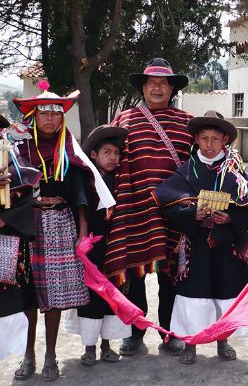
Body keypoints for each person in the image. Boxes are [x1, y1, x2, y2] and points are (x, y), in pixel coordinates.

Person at [12, 82, 114, 381]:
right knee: (28, 295)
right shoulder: (19, 148)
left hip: (59, 225)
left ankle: (50, 355)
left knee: (54, 296)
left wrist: (83, 233)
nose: (50, 118)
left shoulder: (69, 149)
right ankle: (28, 355)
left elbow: (81, 193)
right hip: (25, 226)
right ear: (33, 115)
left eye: (56, 113)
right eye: (44, 112)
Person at [152, 110, 248, 364]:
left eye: (215, 139)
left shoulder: (235, 172)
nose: (210, 145)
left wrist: (231, 218)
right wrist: (192, 214)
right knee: (192, 294)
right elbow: (166, 202)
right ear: (196, 140)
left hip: (225, 247)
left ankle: (223, 341)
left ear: (225, 141)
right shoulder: (186, 171)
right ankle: (191, 344)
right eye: (204, 138)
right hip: (195, 248)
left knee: (224, 292)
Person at [105, 58, 193, 356]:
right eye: (151, 82)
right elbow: (109, 163)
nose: (157, 87)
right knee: (133, 274)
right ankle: (135, 330)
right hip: (133, 211)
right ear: (143, 87)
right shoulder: (124, 121)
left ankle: (170, 332)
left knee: (172, 275)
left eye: (163, 83)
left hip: (173, 215)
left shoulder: (187, 123)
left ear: (171, 88)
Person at [64, 125, 131, 366]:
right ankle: (90, 346)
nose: (114, 158)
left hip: (116, 247)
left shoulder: (121, 180)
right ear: (93, 155)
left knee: (113, 294)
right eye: (107, 152)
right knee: (92, 296)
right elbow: (80, 207)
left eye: (116, 153)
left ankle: (107, 345)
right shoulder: (86, 179)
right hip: (93, 248)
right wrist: (83, 238)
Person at [0, 115, 41, 364]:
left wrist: (5, 220)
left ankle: (28, 354)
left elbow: (27, 192)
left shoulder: (13, 160)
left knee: (22, 300)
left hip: (8, 239)